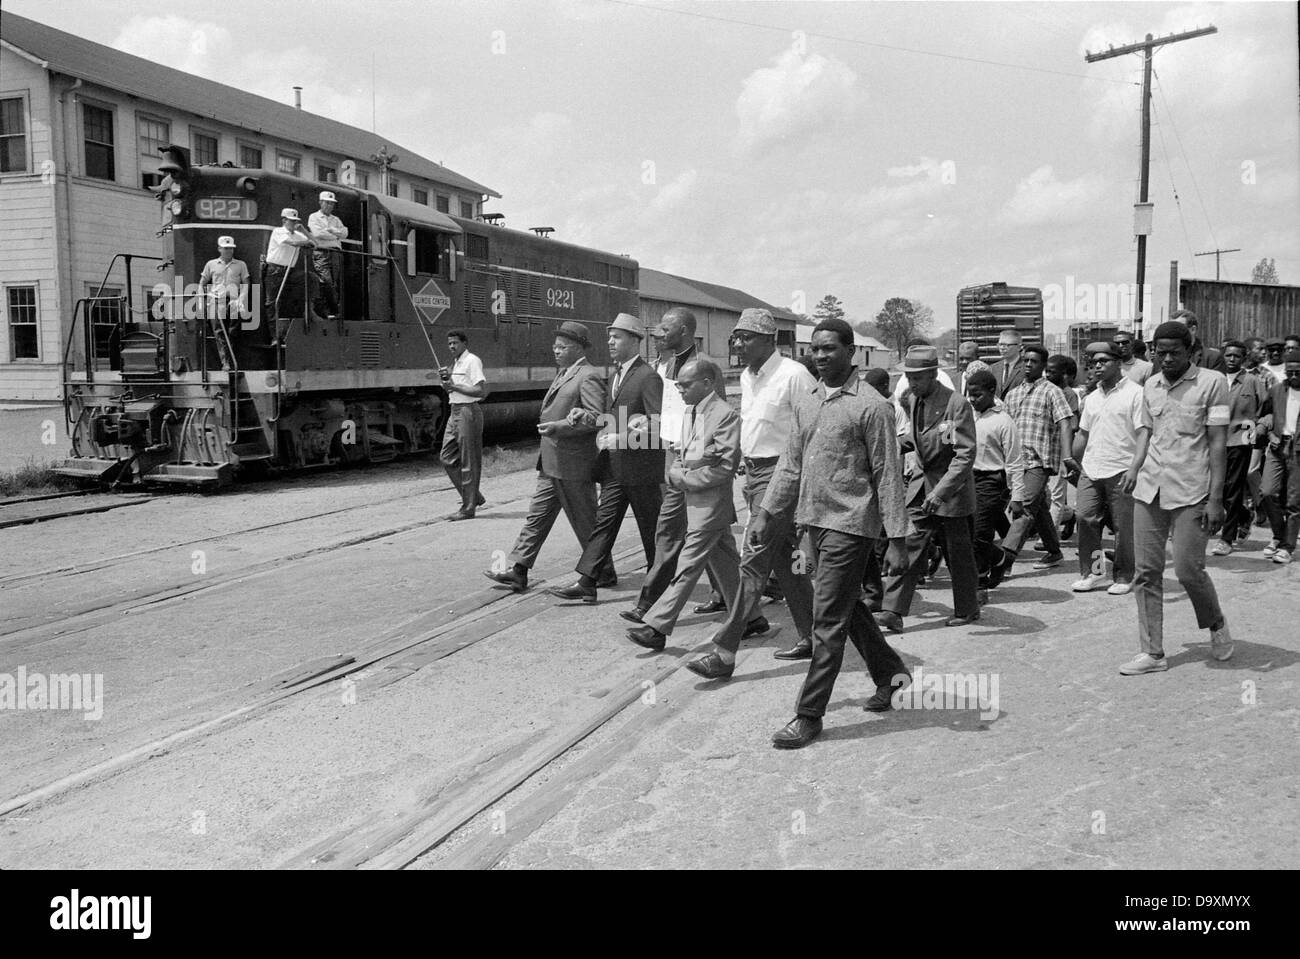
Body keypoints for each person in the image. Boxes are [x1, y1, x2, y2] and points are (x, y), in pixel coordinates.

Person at [756, 318, 911, 750]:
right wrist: (768, 512)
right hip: (814, 522)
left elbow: (888, 477)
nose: (821, 356)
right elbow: (790, 465)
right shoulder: (808, 403)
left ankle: (809, 715)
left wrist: (897, 539)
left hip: (852, 524)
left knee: (826, 621)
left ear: (851, 352)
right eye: (815, 349)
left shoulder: (872, 406)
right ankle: (892, 675)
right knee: (847, 608)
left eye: (830, 349)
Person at [687, 308, 817, 678]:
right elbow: (754, 422)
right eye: (736, 338)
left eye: (745, 338)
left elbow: (813, 429)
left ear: (768, 340)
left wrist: (799, 480)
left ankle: (724, 651)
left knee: (754, 557)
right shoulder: (747, 377)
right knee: (784, 559)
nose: (738, 344)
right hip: (756, 473)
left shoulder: (794, 376)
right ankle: (812, 635)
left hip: (783, 474)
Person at [1120, 320, 1233, 674]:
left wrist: (1216, 500)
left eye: (1175, 352)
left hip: (1192, 489)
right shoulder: (1149, 385)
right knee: (1146, 572)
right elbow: (1146, 433)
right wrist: (1135, 467)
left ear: (1192, 352)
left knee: (1187, 570)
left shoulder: (1213, 384)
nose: (1166, 358)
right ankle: (1152, 652)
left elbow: (1217, 443)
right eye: (1160, 351)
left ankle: (1215, 622)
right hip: (1150, 487)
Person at [621, 308, 734, 625]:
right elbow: (670, 413)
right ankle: (738, 607)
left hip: (697, 466)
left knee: (678, 533)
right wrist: (649, 423)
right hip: (673, 463)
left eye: (665, 329)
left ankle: (652, 606)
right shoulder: (668, 364)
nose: (658, 334)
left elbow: (717, 416)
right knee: (704, 538)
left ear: (684, 331)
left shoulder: (705, 365)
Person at [626, 359, 743, 650]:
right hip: (695, 504)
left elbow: (726, 467)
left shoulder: (725, 415)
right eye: (677, 384)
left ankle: (657, 626)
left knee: (687, 566)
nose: (679, 390)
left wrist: (685, 478)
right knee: (727, 566)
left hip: (711, 507)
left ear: (707, 383)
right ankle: (751, 618)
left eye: (686, 385)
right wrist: (677, 470)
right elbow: (683, 450)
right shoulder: (692, 412)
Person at [549, 313, 663, 603]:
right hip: (615, 468)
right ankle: (587, 581)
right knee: (604, 524)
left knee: (650, 530)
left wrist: (621, 439)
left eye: (618, 337)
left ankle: (658, 586)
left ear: (636, 340)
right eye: (610, 336)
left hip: (642, 470)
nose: (611, 341)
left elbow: (657, 425)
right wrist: (588, 416)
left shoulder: (647, 376)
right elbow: (619, 418)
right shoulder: (616, 376)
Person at [485, 322, 605, 591]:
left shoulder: (588, 376)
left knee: (586, 521)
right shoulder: (565, 373)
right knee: (536, 517)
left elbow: (597, 418)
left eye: (562, 347)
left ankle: (603, 571)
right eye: (555, 346)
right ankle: (519, 570)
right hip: (551, 463)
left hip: (573, 463)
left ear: (577, 349)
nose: (556, 351)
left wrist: (559, 427)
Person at [869, 345, 980, 633]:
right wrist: (895, 445)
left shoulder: (957, 404)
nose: (911, 382)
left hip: (951, 492)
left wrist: (941, 492)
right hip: (921, 488)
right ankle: (893, 610)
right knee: (909, 544)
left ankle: (968, 608)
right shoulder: (914, 400)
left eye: (917, 377)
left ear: (933, 375)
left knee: (958, 553)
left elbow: (964, 454)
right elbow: (918, 438)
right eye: (908, 376)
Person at [992, 344, 1076, 577]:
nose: (1029, 365)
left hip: (1039, 461)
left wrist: (1067, 456)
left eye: (1035, 361)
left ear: (1043, 366)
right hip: (1016, 462)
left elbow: (1065, 422)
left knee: (1025, 507)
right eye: (1026, 361)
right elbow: (1004, 427)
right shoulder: (1013, 394)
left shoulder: (1052, 391)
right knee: (1038, 508)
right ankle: (1054, 550)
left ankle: (1004, 561)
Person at [1070, 342, 1143, 594]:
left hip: (1122, 468)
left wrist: (1135, 468)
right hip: (1091, 468)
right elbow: (1083, 433)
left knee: (1123, 527)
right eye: (1094, 362)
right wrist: (1072, 459)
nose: (1098, 366)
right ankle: (1094, 572)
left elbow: (1144, 433)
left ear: (1119, 362)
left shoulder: (1136, 393)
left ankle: (1124, 576)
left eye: (1104, 361)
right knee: (1086, 518)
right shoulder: (1090, 398)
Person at [964, 370, 1022, 590]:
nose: (972, 399)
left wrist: (1018, 496)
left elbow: (1015, 461)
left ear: (991, 392)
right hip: (967, 479)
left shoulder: (1003, 421)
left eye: (977, 395)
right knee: (965, 533)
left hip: (992, 482)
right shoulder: (967, 415)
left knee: (979, 534)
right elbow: (950, 439)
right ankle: (998, 557)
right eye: (969, 395)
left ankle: (979, 582)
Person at [1212, 340, 1269, 555]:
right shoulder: (1214, 380)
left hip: (1240, 440)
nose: (1232, 359)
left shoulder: (1253, 381)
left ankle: (1227, 539)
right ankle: (1244, 515)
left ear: (1243, 358)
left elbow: (1265, 409)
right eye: (1228, 355)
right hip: (1214, 440)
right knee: (1217, 487)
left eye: (1236, 356)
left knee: (1233, 488)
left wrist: (1259, 431)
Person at [439, 330, 488, 520]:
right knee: (446, 457)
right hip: (455, 411)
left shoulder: (472, 361)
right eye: (449, 343)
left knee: (469, 461)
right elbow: (453, 389)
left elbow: (480, 391)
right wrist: (446, 381)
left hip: (468, 411)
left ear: (464, 343)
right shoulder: (457, 363)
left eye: (455, 343)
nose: (452, 346)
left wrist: (454, 386)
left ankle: (468, 509)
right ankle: (473, 496)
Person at [1258, 349, 1300, 564]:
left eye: (1298, 373)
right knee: (1267, 491)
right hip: (1277, 446)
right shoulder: (1276, 390)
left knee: (1294, 502)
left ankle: (1287, 546)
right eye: (1290, 373)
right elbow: (1264, 414)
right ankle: (1279, 534)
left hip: (1297, 450)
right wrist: (1270, 432)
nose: (1293, 377)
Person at [264, 208, 323, 330]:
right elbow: (293, 243)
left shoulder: (299, 235)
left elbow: (316, 244)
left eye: (295, 221)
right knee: (272, 302)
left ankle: (308, 310)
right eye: (291, 221)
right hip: (275, 271)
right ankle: (274, 335)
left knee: (310, 278)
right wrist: (305, 242)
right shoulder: (278, 231)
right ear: (284, 220)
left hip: (289, 271)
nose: (293, 223)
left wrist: (304, 231)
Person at [1045, 354, 1080, 540]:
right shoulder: (1048, 391)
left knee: (1057, 492)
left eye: (1052, 372)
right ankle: (1070, 515)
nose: (1047, 375)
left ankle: (1049, 538)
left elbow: (1073, 423)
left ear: (1064, 375)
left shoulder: (1068, 394)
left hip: (1061, 448)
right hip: (1046, 448)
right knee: (1047, 494)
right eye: (1046, 371)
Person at [308, 190, 347, 318]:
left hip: (335, 253)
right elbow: (317, 234)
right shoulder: (314, 217)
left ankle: (332, 311)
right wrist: (335, 236)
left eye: (332, 203)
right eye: (327, 203)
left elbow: (345, 233)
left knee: (334, 283)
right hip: (322, 253)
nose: (330, 206)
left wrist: (333, 231)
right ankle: (329, 311)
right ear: (320, 203)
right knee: (326, 281)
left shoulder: (336, 220)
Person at [199, 235, 250, 319]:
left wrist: (241, 300)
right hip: (216, 302)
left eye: (231, 248)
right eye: (226, 248)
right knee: (218, 330)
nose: (229, 251)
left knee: (233, 331)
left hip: (234, 301)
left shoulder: (241, 264)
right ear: (219, 249)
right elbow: (201, 283)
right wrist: (201, 302)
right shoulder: (211, 264)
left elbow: (246, 283)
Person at [994, 329, 1026, 400]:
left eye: (1006, 345)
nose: (1002, 348)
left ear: (1019, 347)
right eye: (1000, 344)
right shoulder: (993, 369)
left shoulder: (1026, 368)